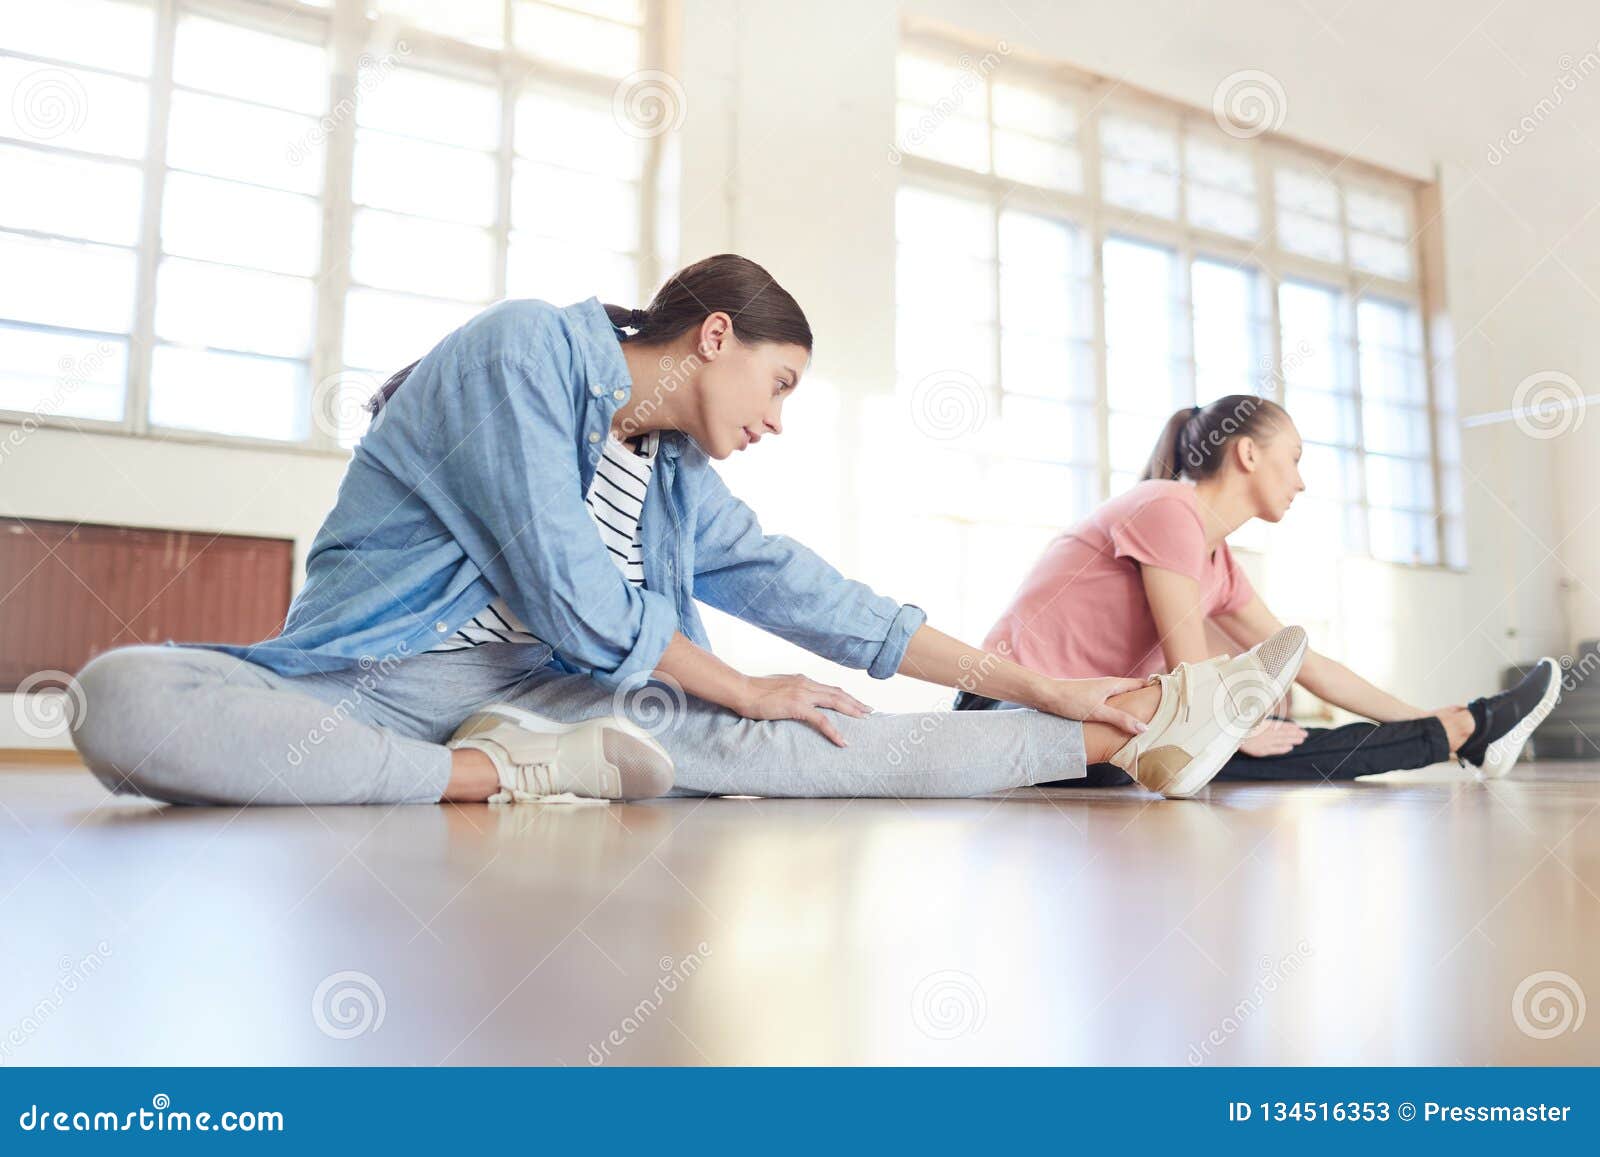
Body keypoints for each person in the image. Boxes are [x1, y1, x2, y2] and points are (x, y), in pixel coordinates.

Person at [68, 257, 1305, 807]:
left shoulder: (672, 473)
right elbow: (576, 598)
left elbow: (809, 590)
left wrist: (1041, 683)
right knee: (123, 695)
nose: (777, 419)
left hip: (568, 701)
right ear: (713, 334)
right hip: (382, 689)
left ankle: (1114, 750)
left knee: (817, 734)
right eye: (778, 384)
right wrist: (731, 683)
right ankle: (490, 779)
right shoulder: (521, 354)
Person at [956, 394, 1560, 785]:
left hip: (1102, 728)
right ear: (1247, 453)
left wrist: (1421, 711)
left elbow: (1310, 666)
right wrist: (1238, 728)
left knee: (1264, 743)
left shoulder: (1217, 561)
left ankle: (1460, 732)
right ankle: (1467, 732)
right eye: (1294, 459)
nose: (1301, 481)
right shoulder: (1167, 510)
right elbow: (1190, 677)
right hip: (1011, 715)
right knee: (1240, 743)